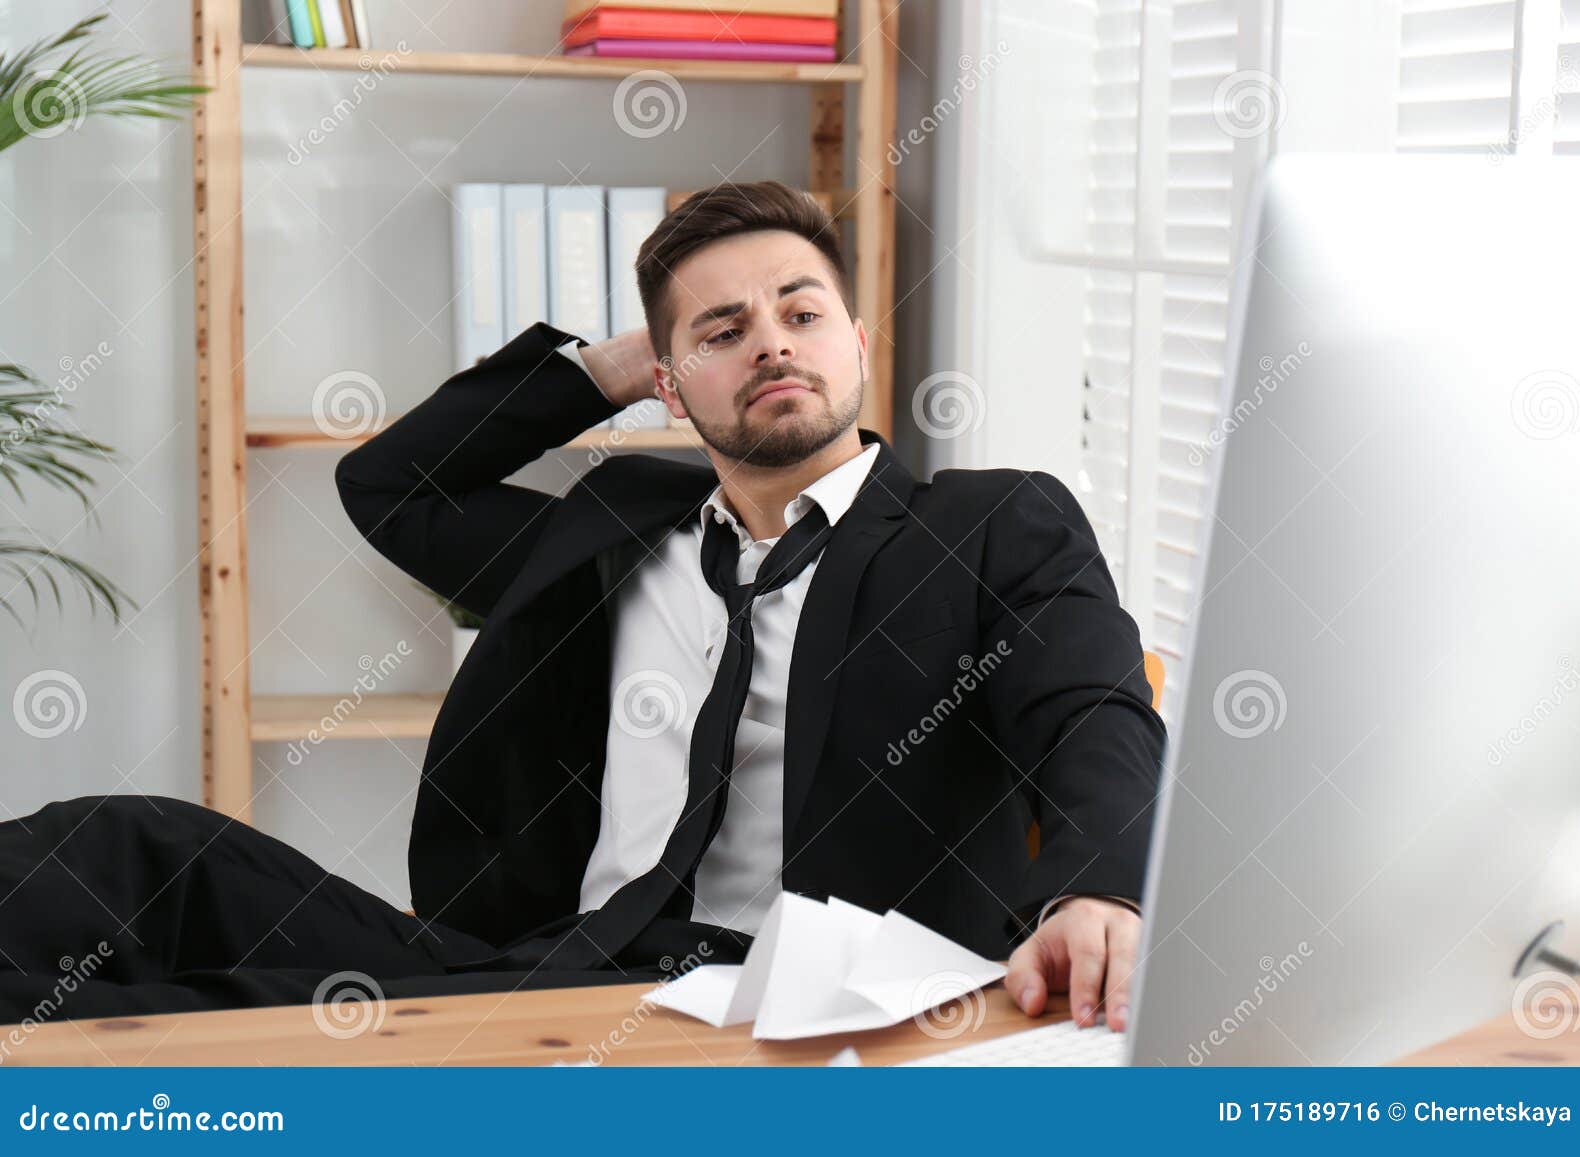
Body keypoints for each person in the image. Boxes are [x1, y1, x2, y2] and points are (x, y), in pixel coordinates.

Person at [0, 181, 1164, 1032]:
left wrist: (1099, 884)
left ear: (857, 340)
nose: (770, 342)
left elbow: (1090, 713)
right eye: (723, 331)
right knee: (124, 854)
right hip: (555, 974)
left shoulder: (987, 525)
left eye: (802, 313)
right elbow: (392, 483)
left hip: (800, 1008)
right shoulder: (615, 524)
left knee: (180, 1014)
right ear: (666, 382)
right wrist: (619, 362)